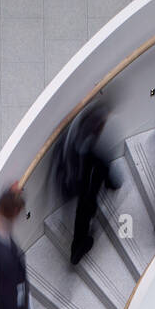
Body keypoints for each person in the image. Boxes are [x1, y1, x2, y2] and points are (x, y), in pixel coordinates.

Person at [56, 105, 120, 267]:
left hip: (78, 187)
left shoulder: (76, 143)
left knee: (82, 216)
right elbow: (107, 175)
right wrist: (113, 184)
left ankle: (77, 247)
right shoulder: (97, 152)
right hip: (88, 192)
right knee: (86, 213)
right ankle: (78, 249)